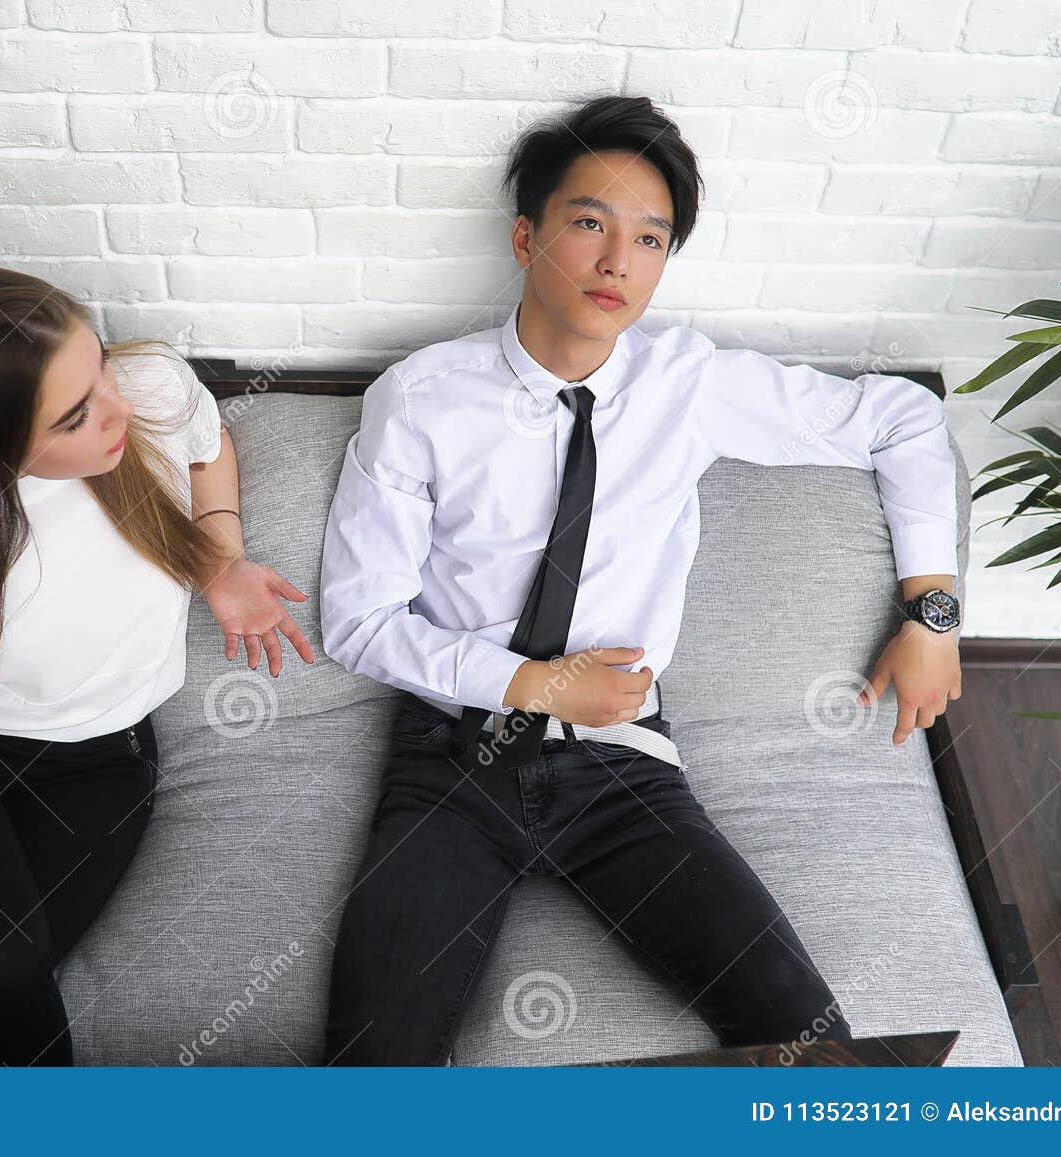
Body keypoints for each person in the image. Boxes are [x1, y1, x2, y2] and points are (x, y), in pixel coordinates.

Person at [318, 95, 963, 1065]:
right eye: (589, 223)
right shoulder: (418, 400)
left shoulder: (687, 383)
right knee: (370, 1075)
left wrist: (933, 613)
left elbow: (905, 418)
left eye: (650, 238)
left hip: (620, 766)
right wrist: (533, 684)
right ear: (525, 235)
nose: (618, 260)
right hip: (453, 760)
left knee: (809, 1048)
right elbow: (356, 622)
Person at [0, 264, 315, 1065]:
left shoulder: (149, 389)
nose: (120, 411)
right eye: (75, 414)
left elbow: (208, 445)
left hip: (98, 764)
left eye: (101, 369)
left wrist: (221, 559)